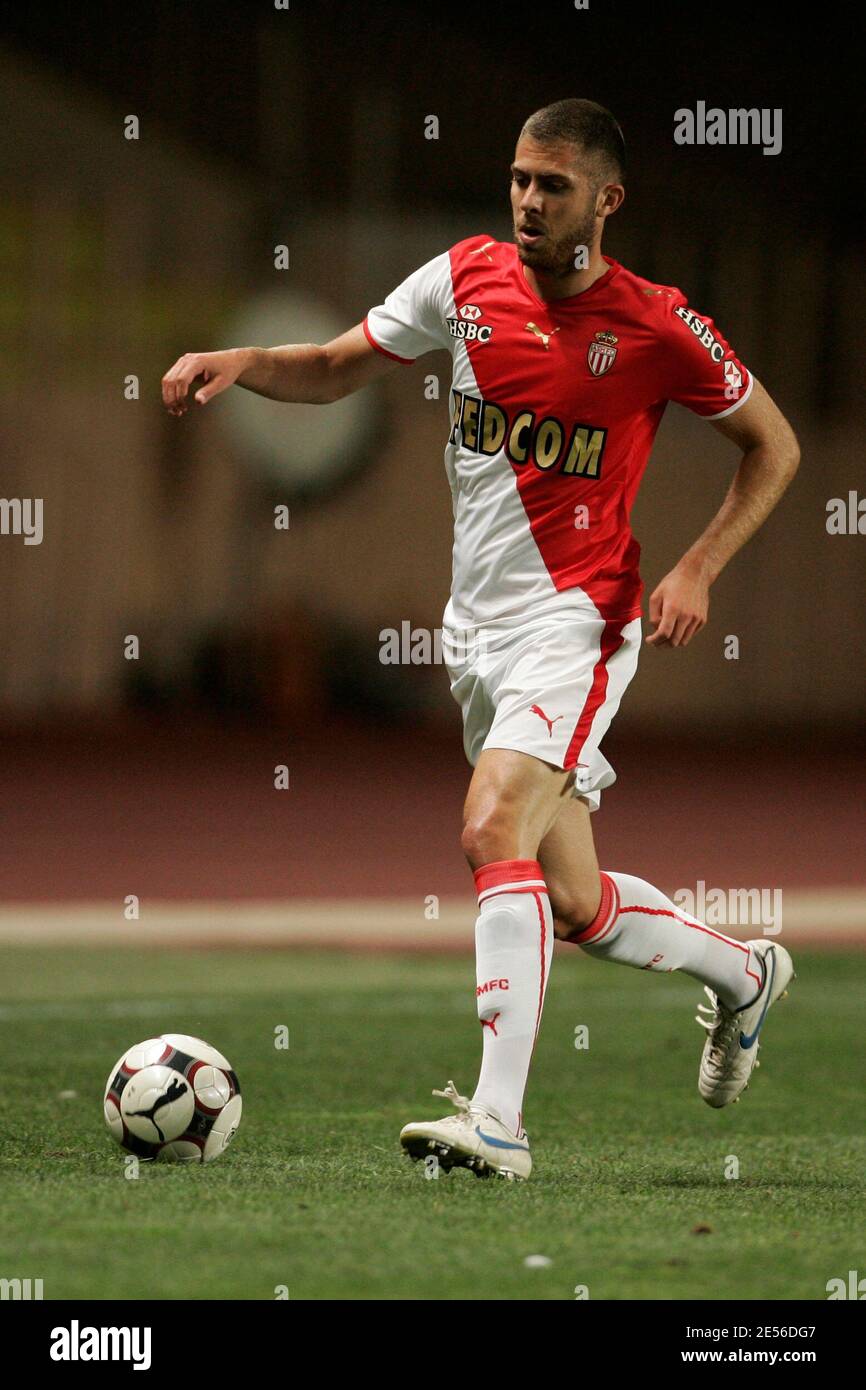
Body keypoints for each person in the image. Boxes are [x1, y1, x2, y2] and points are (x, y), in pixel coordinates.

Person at [162, 98, 800, 1183]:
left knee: (487, 824)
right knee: (572, 901)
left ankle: (497, 1125)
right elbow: (333, 363)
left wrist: (694, 565)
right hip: (476, 637)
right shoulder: (461, 279)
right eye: (516, 179)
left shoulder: (654, 323)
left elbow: (772, 445)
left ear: (607, 199)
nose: (526, 201)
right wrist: (241, 358)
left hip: (579, 620)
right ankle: (744, 975)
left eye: (550, 186)